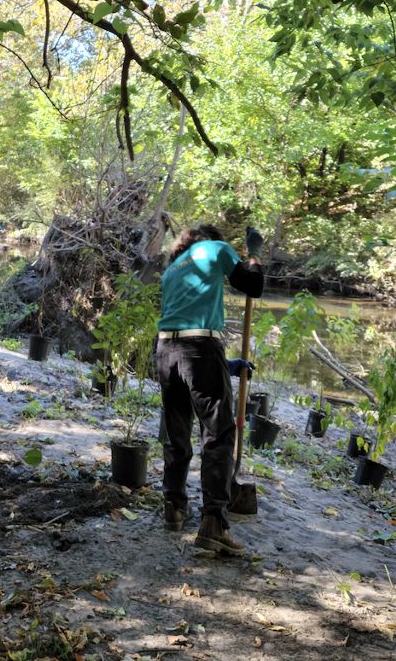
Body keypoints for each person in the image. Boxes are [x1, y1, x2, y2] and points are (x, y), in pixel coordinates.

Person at [156, 224, 264, 557]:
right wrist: (254, 253)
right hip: (200, 349)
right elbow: (252, 285)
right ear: (212, 238)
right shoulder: (217, 248)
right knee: (217, 434)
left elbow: (183, 326)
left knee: (176, 431)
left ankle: (174, 507)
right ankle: (214, 524)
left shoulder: (173, 268)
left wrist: (225, 365)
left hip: (165, 351)